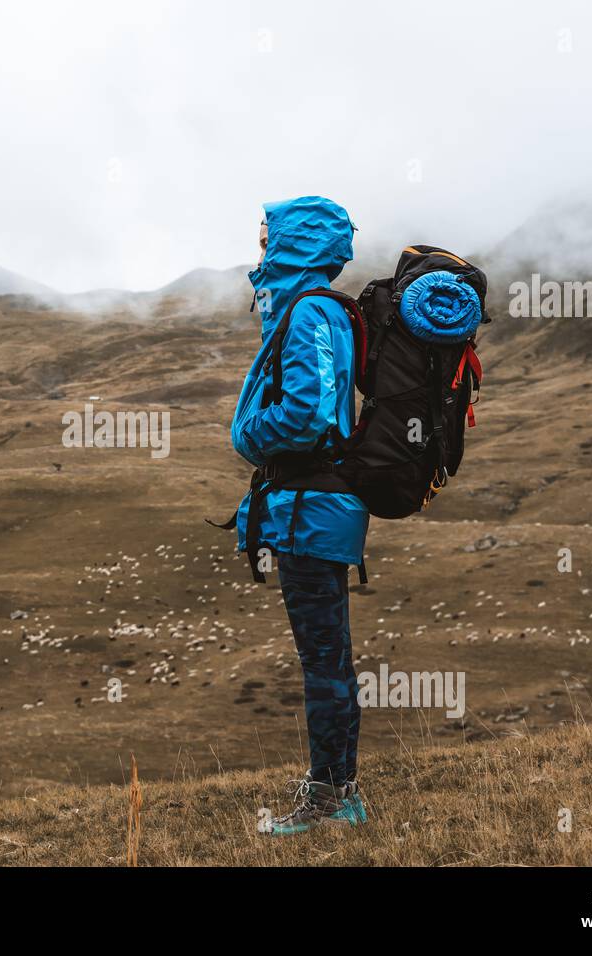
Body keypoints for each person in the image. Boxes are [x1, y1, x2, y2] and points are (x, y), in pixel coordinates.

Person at [230, 196, 369, 834]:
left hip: (310, 512)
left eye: (267, 241)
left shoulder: (310, 309)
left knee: (323, 661)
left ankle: (329, 798)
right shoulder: (313, 308)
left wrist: (249, 438)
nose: (259, 252)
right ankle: (340, 790)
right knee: (329, 658)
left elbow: (310, 414)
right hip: (311, 509)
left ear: (294, 245)